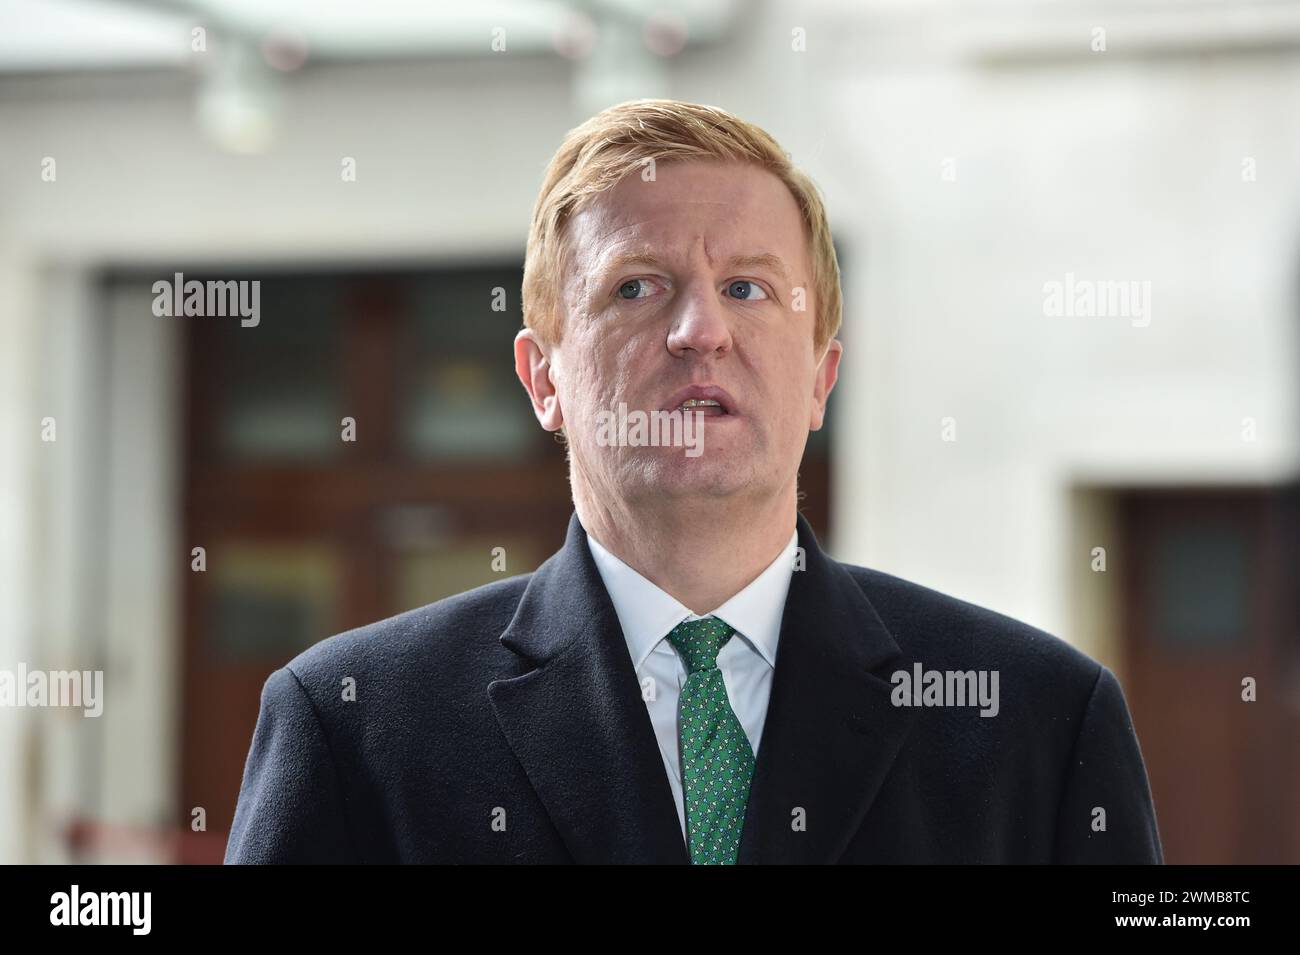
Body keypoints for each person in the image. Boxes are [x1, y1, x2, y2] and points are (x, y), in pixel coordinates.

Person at [225, 99, 1163, 864]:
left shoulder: (1038, 719)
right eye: (636, 287)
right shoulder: (356, 725)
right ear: (542, 377)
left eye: (749, 288)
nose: (700, 331)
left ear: (822, 378)